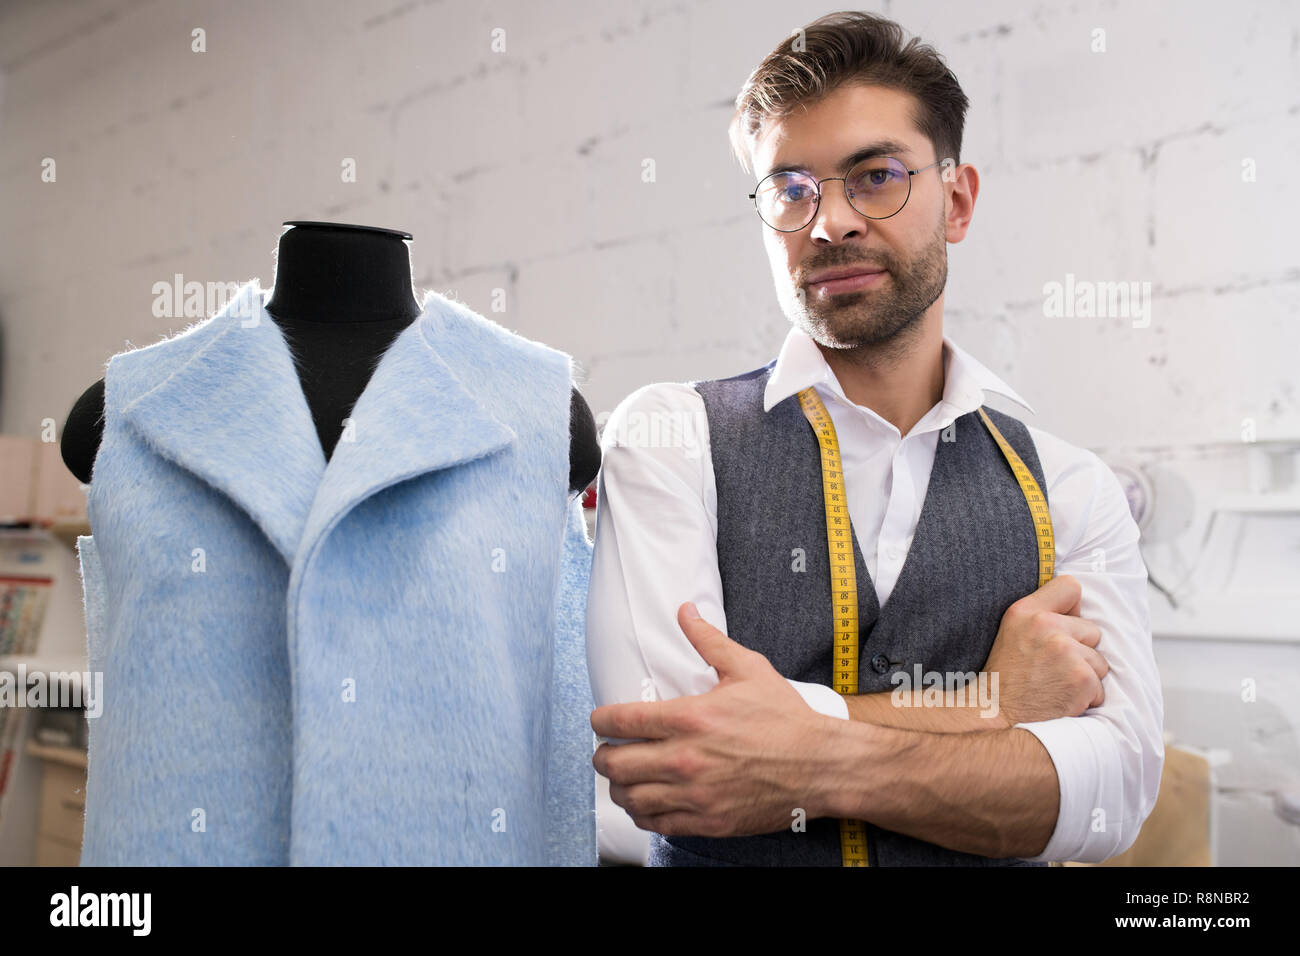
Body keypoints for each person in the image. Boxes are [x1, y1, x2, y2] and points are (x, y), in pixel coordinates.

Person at [586, 10, 1163, 866]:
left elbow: (1113, 799)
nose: (831, 224)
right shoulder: (672, 437)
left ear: (957, 202)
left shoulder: (1073, 489)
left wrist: (798, 750)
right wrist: (989, 705)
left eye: (877, 175)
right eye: (791, 189)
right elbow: (675, 762)